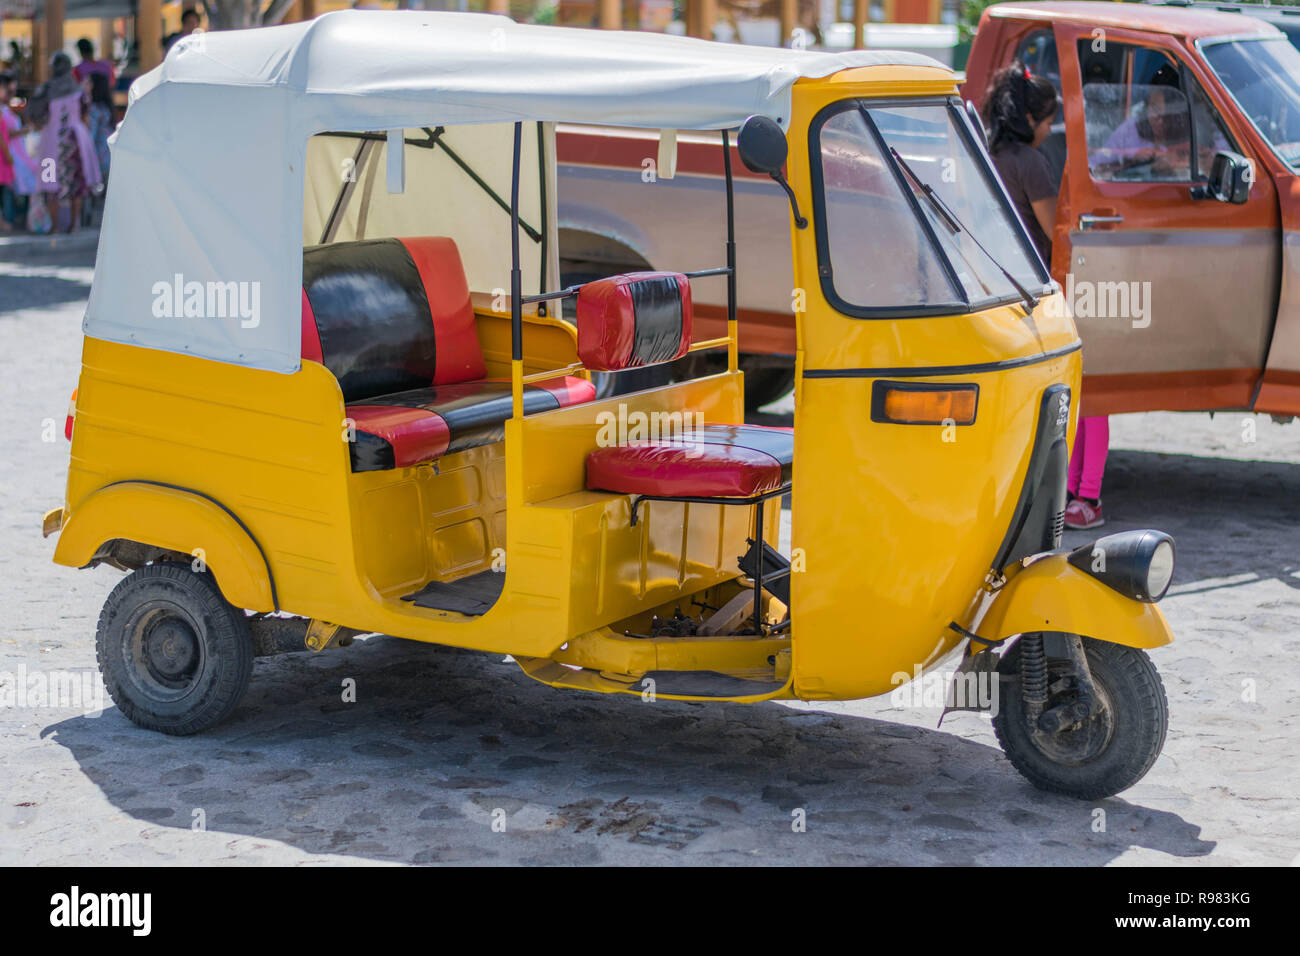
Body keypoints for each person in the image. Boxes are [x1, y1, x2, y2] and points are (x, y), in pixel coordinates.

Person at [983, 62, 1108, 529]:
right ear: (1030, 119)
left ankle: (1049, 492)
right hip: (1041, 293)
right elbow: (1057, 233)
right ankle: (1086, 496)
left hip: (997, 292)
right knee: (1089, 390)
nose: (1053, 128)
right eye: (1049, 119)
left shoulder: (986, 154)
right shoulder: (1030, 164)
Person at [29, 52, 102, 233]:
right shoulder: (79, 91)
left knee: (49, 183)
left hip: (50, 141)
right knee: (76, 184)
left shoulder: (46, 90)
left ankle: (53, 226)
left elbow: (33, 113)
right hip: (75, 140)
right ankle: (74, 224)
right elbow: (85, 113)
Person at [0, 70, 38, 230]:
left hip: (12, 156)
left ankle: (11, 220)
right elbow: (3, 135)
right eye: (9, 91)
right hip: (7, 157)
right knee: (8, 190)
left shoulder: (6, 109)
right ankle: (8, 221)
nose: (11, 95)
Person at [85, 71, 115, 183]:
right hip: (108, 156)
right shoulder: (107, 107)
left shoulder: (94, 110)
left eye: (88, 82)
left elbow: (90, 136)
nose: (85, 85)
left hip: (97, 158)